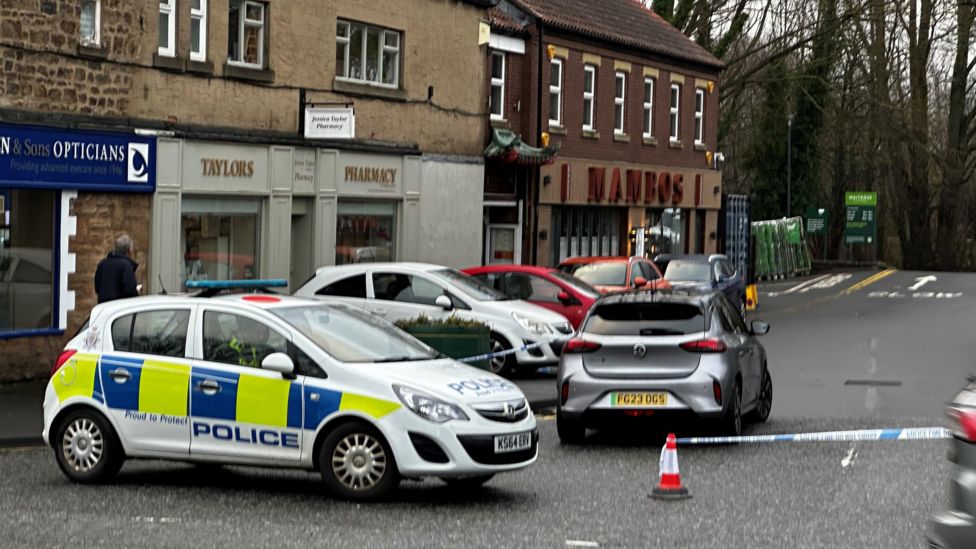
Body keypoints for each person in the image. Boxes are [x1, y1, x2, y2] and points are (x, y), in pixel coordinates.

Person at [94, 234, 139, 304]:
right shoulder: (126, 266)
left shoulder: (102, 264)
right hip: (120, 309)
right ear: (129, 251)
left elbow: (97, 287)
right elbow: (130, 291)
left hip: (103, 307)